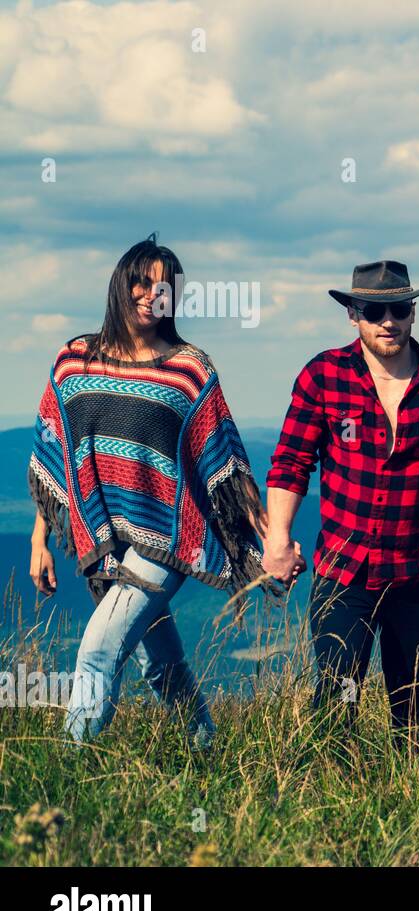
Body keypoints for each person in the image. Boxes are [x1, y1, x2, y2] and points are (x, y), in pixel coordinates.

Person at [28, 237, 276, 744]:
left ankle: (70, 771)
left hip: (168, 536)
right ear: (121, 283)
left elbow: (225, 465)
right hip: (104, 538)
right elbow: (56, 456)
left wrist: (272, 539)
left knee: (97, 648)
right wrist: (40, 540)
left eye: (163, 287)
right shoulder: (74, 361)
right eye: (141, 282)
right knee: (160, 663)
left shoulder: (188, 370)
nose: (150, 295)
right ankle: (205, 748)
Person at [262, 260, 419, 748]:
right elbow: (290, 464)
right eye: (373, 310)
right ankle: (331, 808)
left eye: (398, 308)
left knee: (413, 705)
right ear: (353, 313)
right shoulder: (322, 376)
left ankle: (418, 807)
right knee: (336, 698)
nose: (387, 320)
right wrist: (278, 540)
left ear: (413, 312)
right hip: (342, 573)